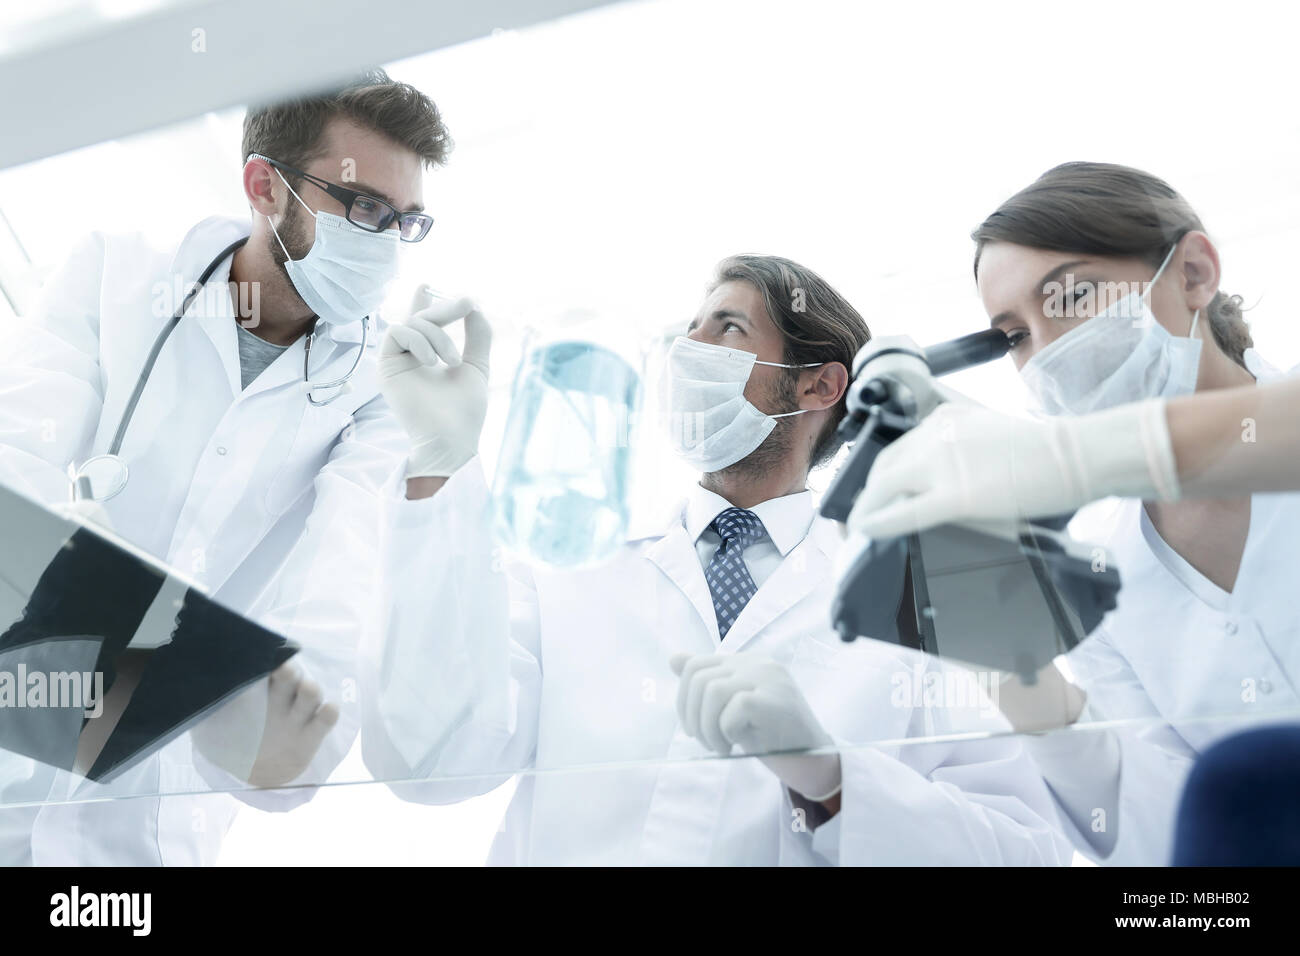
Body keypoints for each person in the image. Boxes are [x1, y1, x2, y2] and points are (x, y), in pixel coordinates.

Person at [362, 254, 1072, 866]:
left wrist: (833, 781)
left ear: (820, 386)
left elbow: (1026, 850)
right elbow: (429, 765)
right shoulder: (569, 568)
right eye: (688, 330)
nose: (686, 349)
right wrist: (438, 466)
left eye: (727, 327)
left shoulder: (929, 602)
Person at [0, 69, 471, 865]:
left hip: (147, 834)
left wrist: (91, 605)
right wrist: (210, 689)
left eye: (407, 221)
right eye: (365, 208)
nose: (386, 241)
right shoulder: (117, 276)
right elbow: (14, 488)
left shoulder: (382, 396)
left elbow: (323, 650)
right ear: (265, 186)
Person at [852, 161, 1299, 863]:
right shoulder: (1103, 565)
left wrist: (1069, 458)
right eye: (1015, 336)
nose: (1049, 349)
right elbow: (1175, 825)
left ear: (1193, 273)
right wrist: (1022, 681)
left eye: (1070, 297)